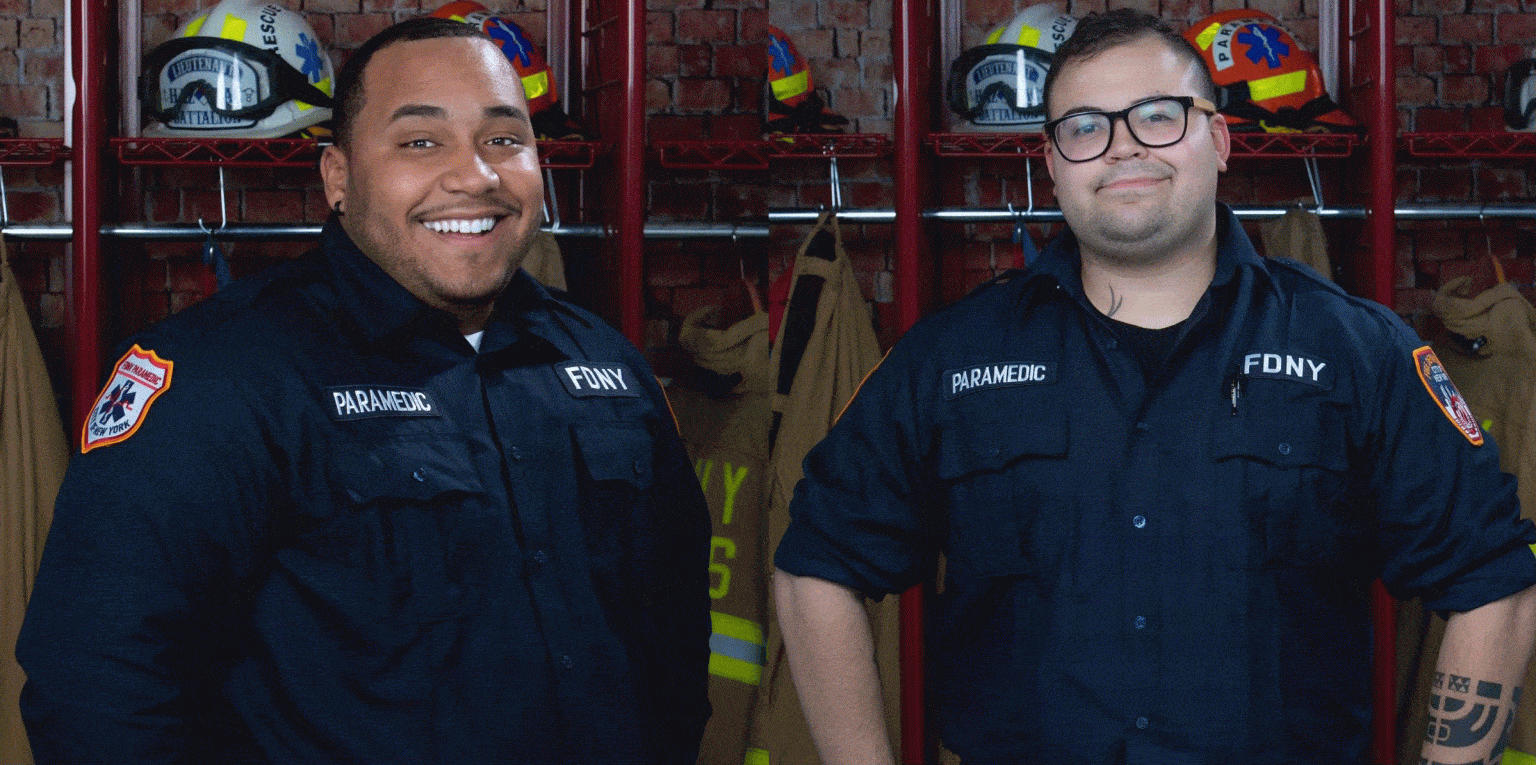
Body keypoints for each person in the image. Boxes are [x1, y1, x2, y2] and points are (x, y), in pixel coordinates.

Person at [771, 9, 1536, 765]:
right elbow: (816, 567)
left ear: (1222, 139)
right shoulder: (949, 359)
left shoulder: (1355, 352)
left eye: (1159, 116)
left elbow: (1494, 579)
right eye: (1085, 126)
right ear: (1052, 160)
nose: (1123, 147)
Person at [17, 17, 710, 764]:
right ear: (338, 178)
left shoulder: (610, 367)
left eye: (505, 139)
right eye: (421, 141)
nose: (475, 175)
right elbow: (97, 691)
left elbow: (672, 639)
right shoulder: (220, 377)